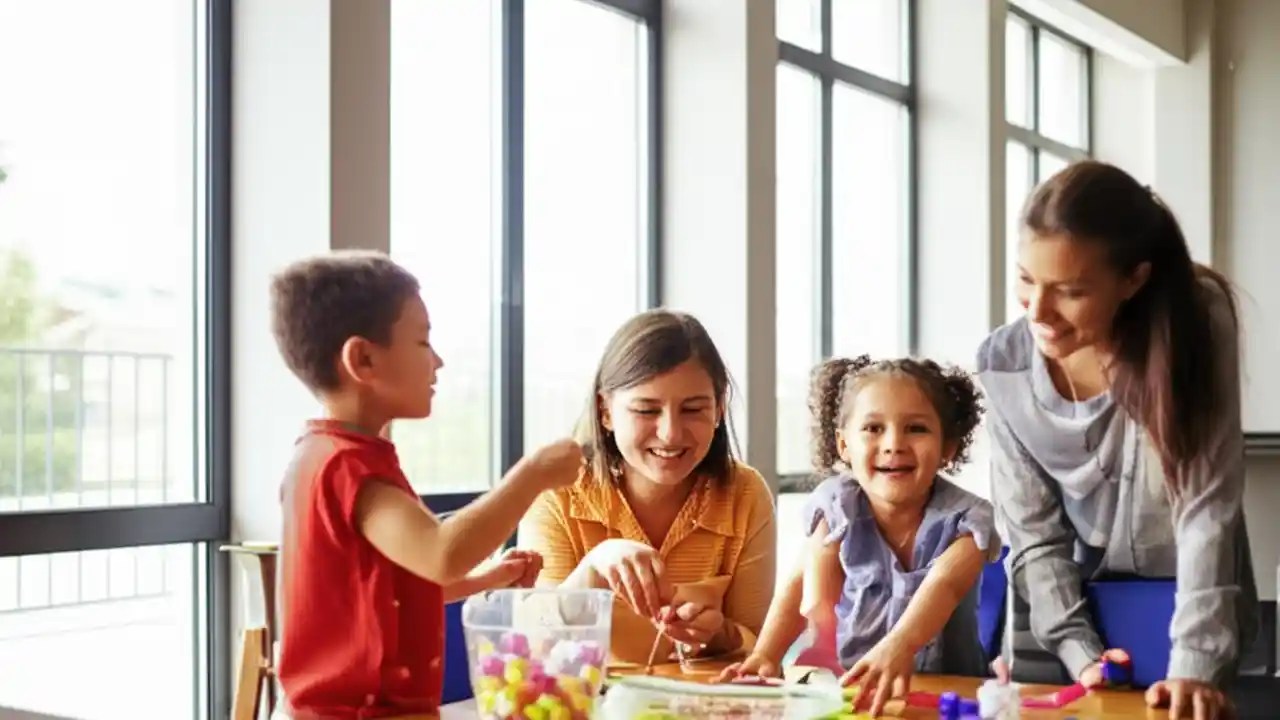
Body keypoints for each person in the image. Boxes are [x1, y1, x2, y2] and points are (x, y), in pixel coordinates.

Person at [979, 160, 1258, 720]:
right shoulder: (1003, 365)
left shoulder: (1195, 323)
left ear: (1133, 280)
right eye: (1027, 280)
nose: (1039, 313)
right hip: (1077, 628)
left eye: (1072, 291)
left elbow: (1206, 507)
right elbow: (1033, 533)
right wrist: (1084, 654)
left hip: (1196, 623)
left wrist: (1194, 667)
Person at [268, 250, 582, 719]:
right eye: (422, 341)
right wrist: (532, 474)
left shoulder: (323, 454)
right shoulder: (349, 467)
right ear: (364, 358)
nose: (437, 361)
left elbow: (393, 591)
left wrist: (486, 581)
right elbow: (440, 553)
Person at [718, 355, 996, 716]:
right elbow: (803, 579)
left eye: (916, 428)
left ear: (948, 447)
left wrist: (899, 644)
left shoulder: (971, 520)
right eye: (873, 428)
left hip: (949, 695)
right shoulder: (836, 505)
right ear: (844, 445)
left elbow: (945, 584)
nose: (894, 443)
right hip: (853, 689)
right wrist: (766, 655)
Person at [517, 309, 777, 666]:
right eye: (646, 410)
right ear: (605, 410)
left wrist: (717, 636)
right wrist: (594, 568)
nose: (670, 433)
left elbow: (760, 651)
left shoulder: (745, 493)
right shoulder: (556, 493)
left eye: (693, 409)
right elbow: (532, 651)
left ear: (719, 408)